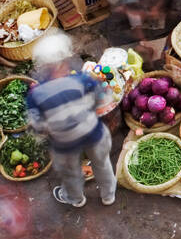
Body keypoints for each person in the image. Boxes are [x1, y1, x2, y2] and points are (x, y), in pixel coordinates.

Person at [27, 33, 116, 210]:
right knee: (102, 164)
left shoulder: (35, 95)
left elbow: (37, 125)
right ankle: (108, 196)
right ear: (64, 63)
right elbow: (103, 98)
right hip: (94, 134)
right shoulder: (83, 80)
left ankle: (76, 199)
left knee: (70, 172)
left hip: (65, 143)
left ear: (43, 67)